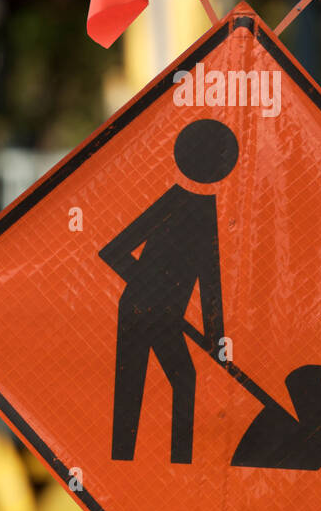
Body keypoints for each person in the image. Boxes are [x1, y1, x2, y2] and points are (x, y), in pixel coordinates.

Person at [99, 119, 239, 464]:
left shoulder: (206, 212)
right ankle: (129, 460)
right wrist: (149, 285)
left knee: (183, 379)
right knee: (134, 384)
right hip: (138, 308)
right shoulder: (172, 202)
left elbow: (209, 282)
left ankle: (178, 461)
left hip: (165, 315)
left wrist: (216, 337)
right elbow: (114, 250)